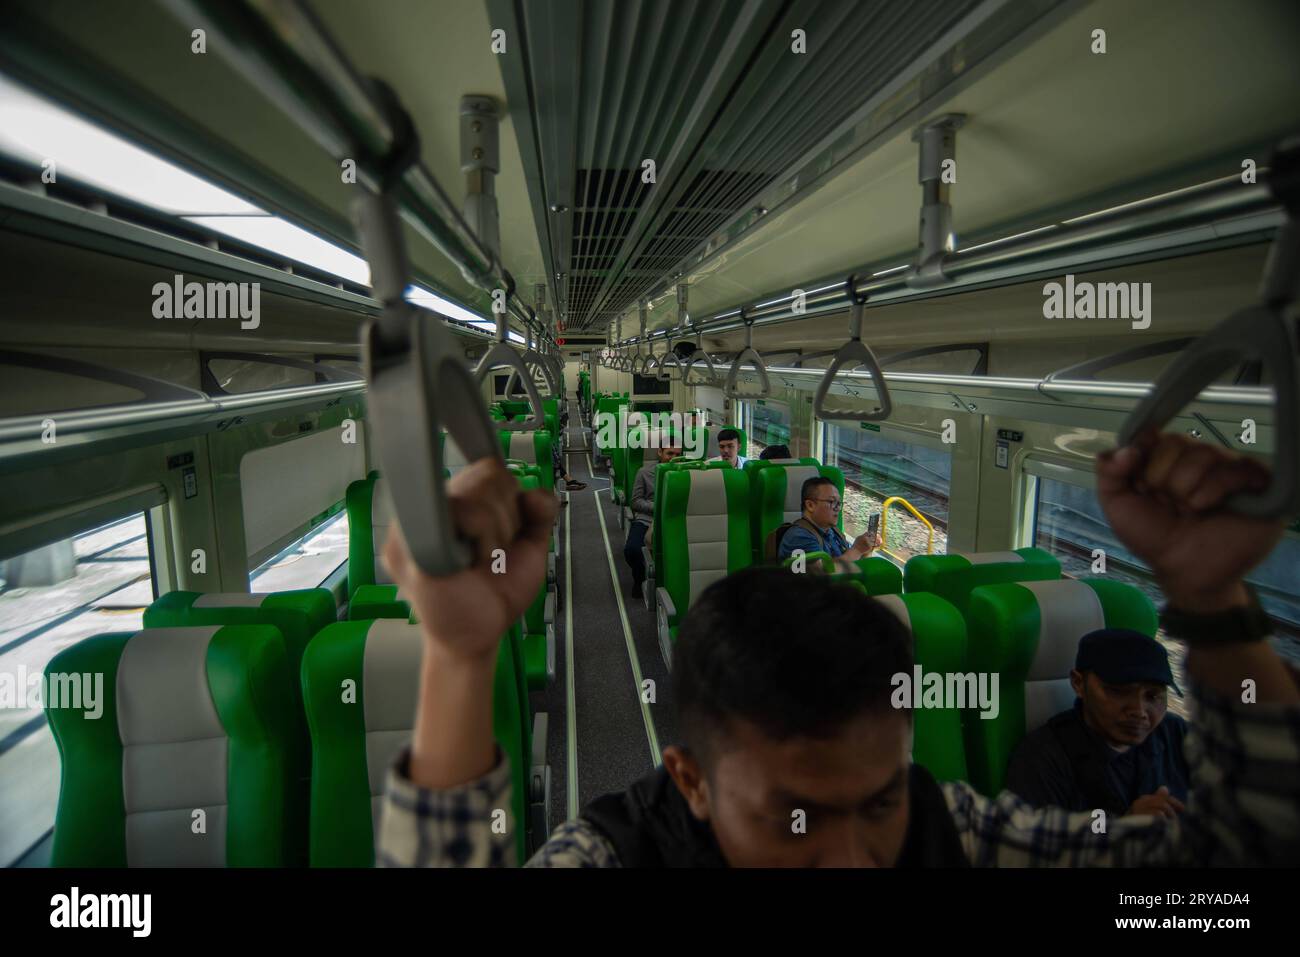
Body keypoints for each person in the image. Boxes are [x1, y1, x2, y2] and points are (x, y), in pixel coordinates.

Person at [375, 431, 1300, 867]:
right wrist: (459, 658)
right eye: (797, 817)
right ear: (689, 778)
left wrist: (1214, 600)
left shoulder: (948, 827)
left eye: (882, 797)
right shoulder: (617, 856)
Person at [1005, 629, 1189, 817]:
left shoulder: (1174, 733)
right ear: (1078, 683)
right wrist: (1123, 828)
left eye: (1153, 696)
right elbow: (1032, 840)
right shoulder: (1044, 759)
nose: (1139, 711)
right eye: (1119, 692)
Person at [624, 439, 681, 599]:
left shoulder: (685, 473)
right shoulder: (645, 472)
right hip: (648, 519)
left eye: (677, 454)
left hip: (676, 521)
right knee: (632, 550)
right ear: (660, 452)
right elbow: (635, 502)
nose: (673, 458)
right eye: (669, 453)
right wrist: (658, 506)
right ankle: (640, 578)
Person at [776, 476, 881, 562]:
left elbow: (852, 565)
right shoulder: (798, 537)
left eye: (839, 503)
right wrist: (857, 549)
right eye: (832, 502)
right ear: (810, 505)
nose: (838, 508)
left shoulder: (833, 532)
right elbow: (822, 575)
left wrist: (865, 549)